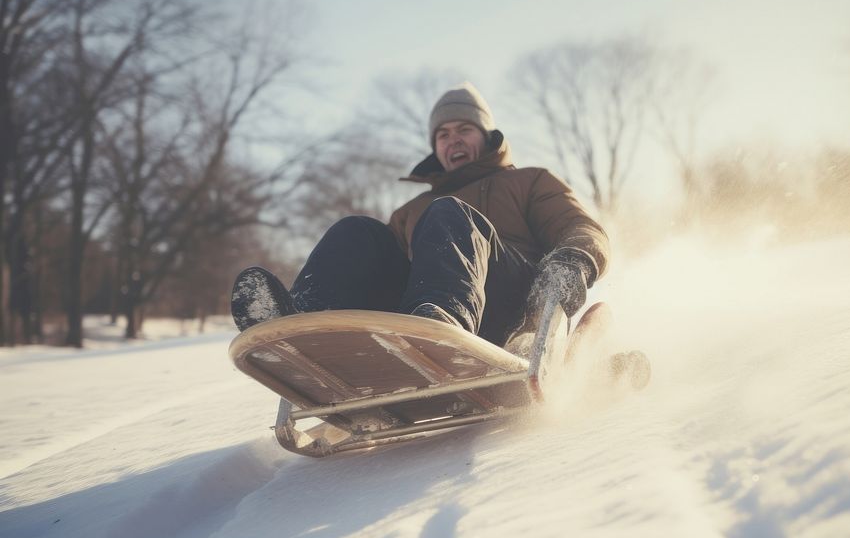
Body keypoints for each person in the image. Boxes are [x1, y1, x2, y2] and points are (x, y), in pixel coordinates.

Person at [230, 82, 610, 349]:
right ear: (435, 146)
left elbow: (580, 228)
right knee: (356, 231)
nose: (453, 139)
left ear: (486, 135)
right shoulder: (409, 212)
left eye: (464, 128)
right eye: (443, 134)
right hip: (414, 317)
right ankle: (304, 327)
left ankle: (439, 326)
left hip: (511, 306)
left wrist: (572, 259)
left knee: (448, 213)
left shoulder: (529, 181)